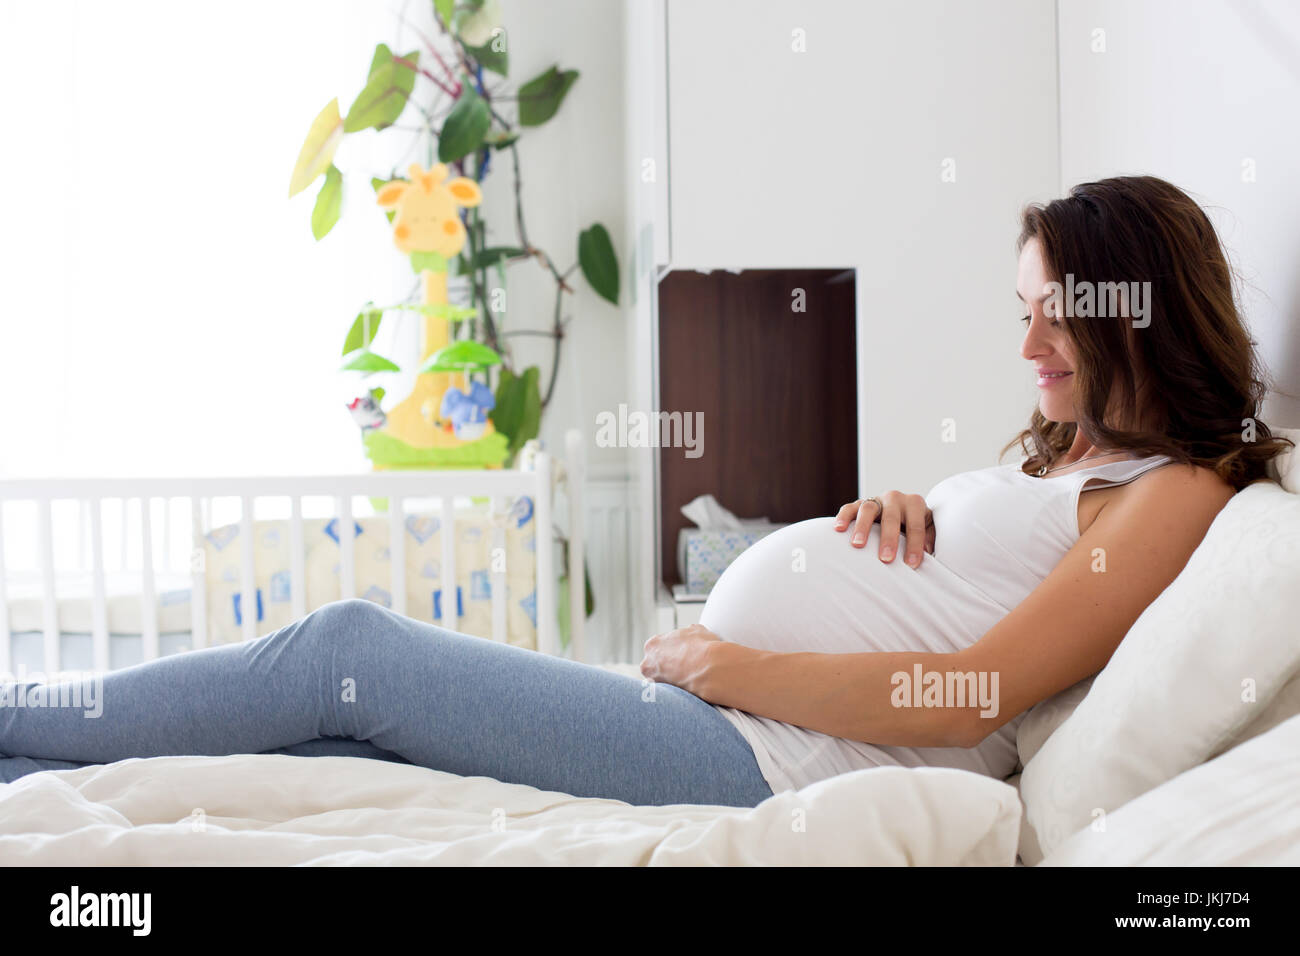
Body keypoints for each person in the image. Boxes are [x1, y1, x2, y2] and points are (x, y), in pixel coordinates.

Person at [1, 176, 1291, 806]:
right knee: (345, 735)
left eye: (1055, 320)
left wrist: (728, 665)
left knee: (351, 655)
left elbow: (977, 698)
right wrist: (921, 513)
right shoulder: (1075, 458)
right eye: (1020, 315)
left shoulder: (1182, 491)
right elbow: (985, 582)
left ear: (1143, 310)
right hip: (736, 724)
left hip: (765, 758)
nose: (1026, 350)